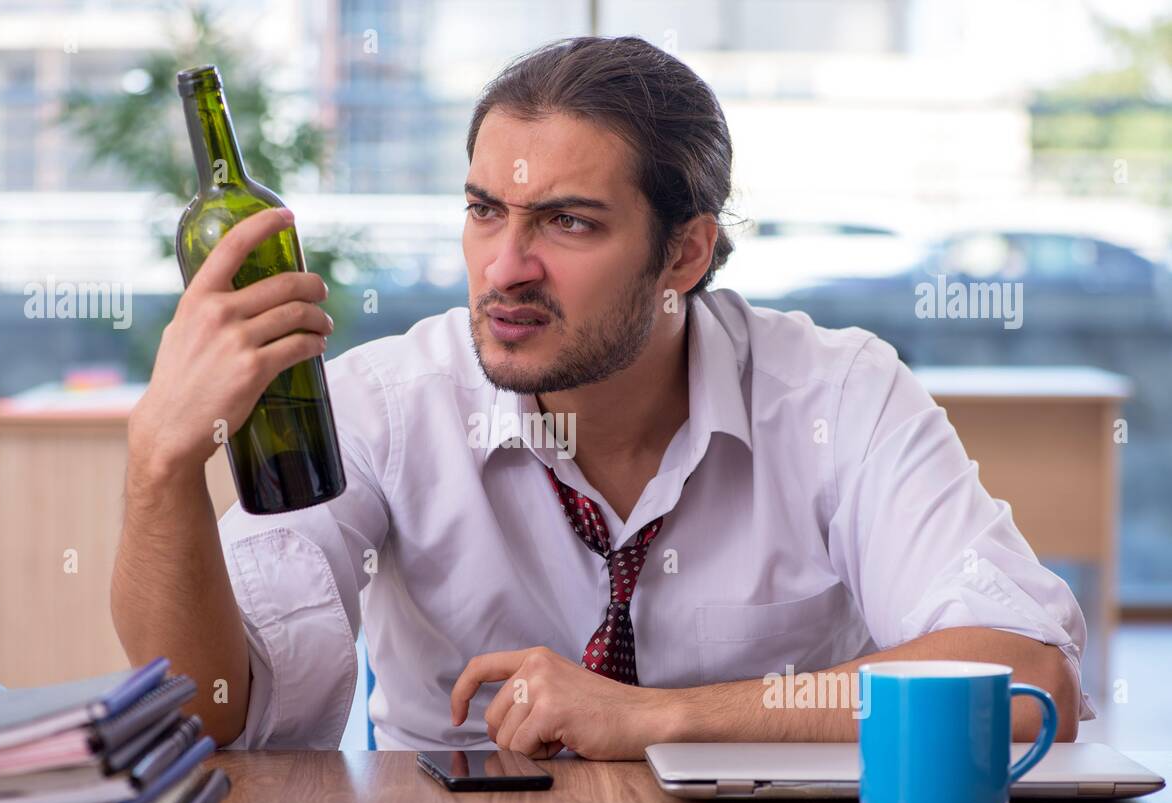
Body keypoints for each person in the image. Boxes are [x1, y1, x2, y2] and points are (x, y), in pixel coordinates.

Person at [112, 36, 1090, 760]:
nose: (505, 267)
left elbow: (1024, 674)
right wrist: (157, 471)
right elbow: (215, 714)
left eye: (567, 223)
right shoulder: (386, 403)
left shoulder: (837, 392)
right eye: (485, 211)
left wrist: (659, 717)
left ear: (684, 251)